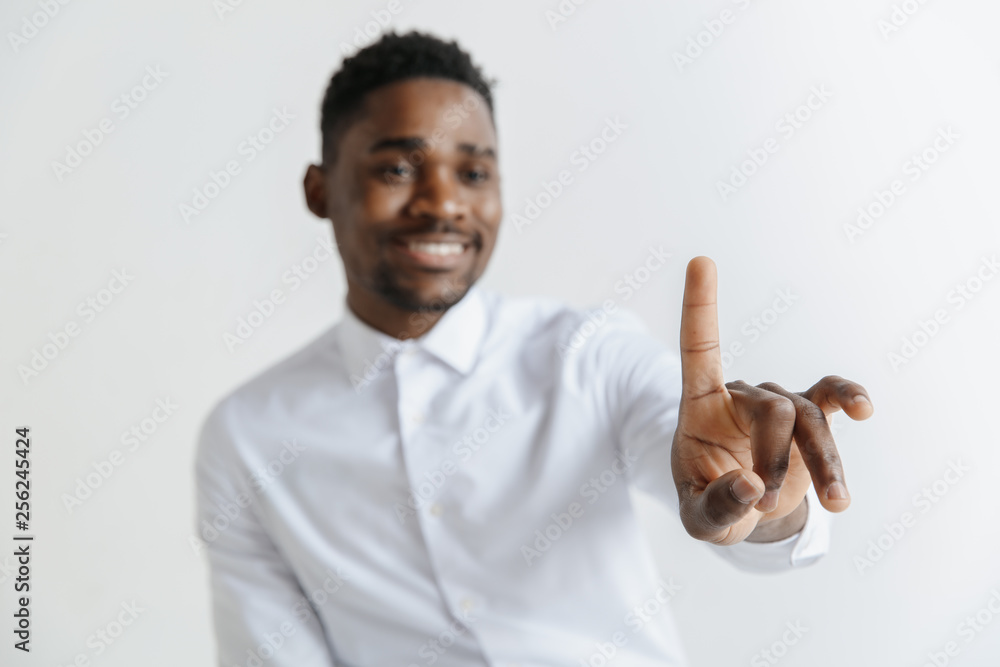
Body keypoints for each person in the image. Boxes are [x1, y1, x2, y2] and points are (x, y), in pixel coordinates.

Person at [194, 30, 873, 666]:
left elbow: (702, 460)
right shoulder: (249, 434)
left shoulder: (587, 353)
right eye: (398, 167)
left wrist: (766, 499)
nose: (443, 204)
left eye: (473, 173)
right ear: (320, 189)